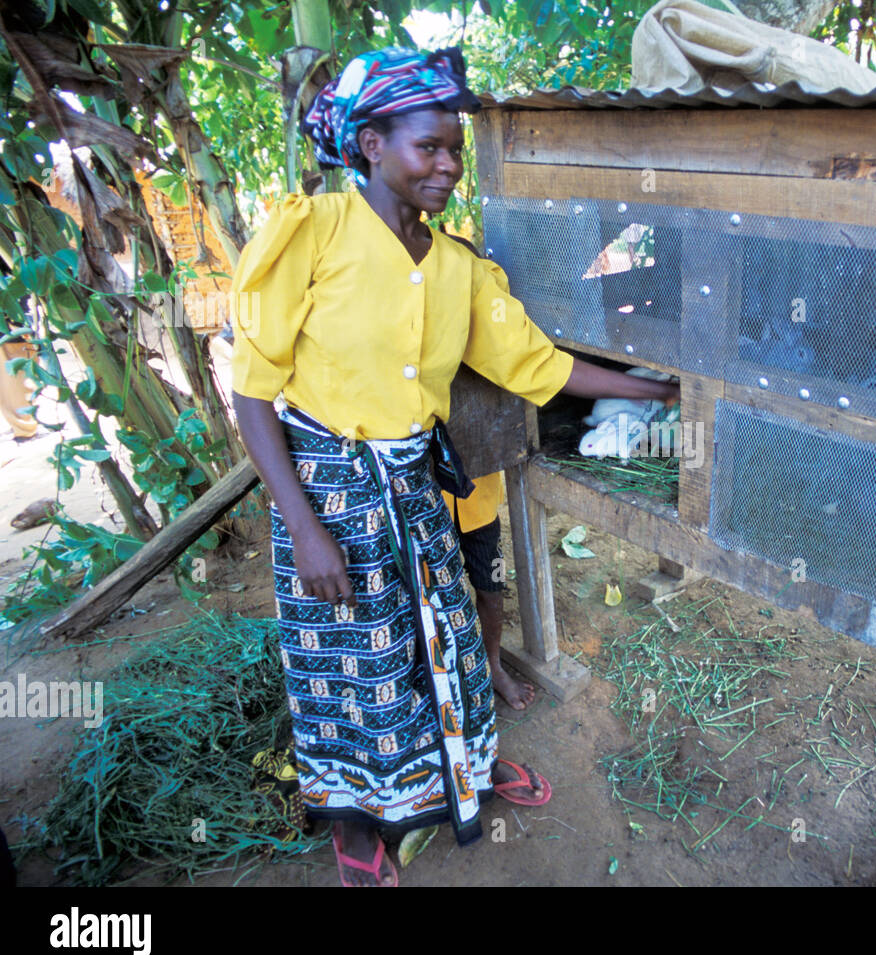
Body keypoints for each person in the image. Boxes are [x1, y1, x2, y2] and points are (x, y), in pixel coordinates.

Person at [231, 47, 677, 886]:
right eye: (427, 147)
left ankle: (465, 774)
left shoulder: (457, 266)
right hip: (327, 490)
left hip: (416, 483)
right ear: (369, 145)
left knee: (448, 638)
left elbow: (537, 365)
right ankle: (356, 821)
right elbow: (253, 394)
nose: (446, 164)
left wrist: (654, 387)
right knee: (353, 661)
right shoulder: (312, 234)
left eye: (454, 150)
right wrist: (304, 526)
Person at [443, 472, 535, 711]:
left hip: (480, 501)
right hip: (430, 509)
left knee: (493, 585)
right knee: (438, 592)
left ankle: (493, 666)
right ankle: (443, 674)